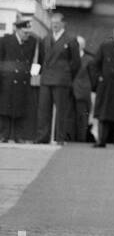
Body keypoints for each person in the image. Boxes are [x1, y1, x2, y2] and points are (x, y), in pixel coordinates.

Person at [36, 10, 80, 144]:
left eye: (57, 23)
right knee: (44, 109)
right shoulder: (46, 39)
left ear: (63, 24)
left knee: (61, 110)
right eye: (53, 23)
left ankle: (60, 137)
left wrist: (66, 74)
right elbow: (41, 59)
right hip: (47, 78)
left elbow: (76, 63)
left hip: (62, 79)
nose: (54, 25)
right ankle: (42, 137)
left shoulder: (71, 40)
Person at [0, 19, 34, 142]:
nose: (27, 35)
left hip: (23, 80)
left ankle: (18, 136)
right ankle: (4, 135)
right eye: (25, 32)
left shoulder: (32, 42)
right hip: (7, 79)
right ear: (18, 30)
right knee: (5, 108)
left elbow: (35, 60)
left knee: (20, 109)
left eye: (28, 32)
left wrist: (33, 74)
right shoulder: (5, 41)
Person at [72, 36, 94, 143]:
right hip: (69, 92)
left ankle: (81, 139)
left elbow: (93, 77)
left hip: (82, 93)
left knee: (82, 117)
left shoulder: (89, 60)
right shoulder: (69, 57)